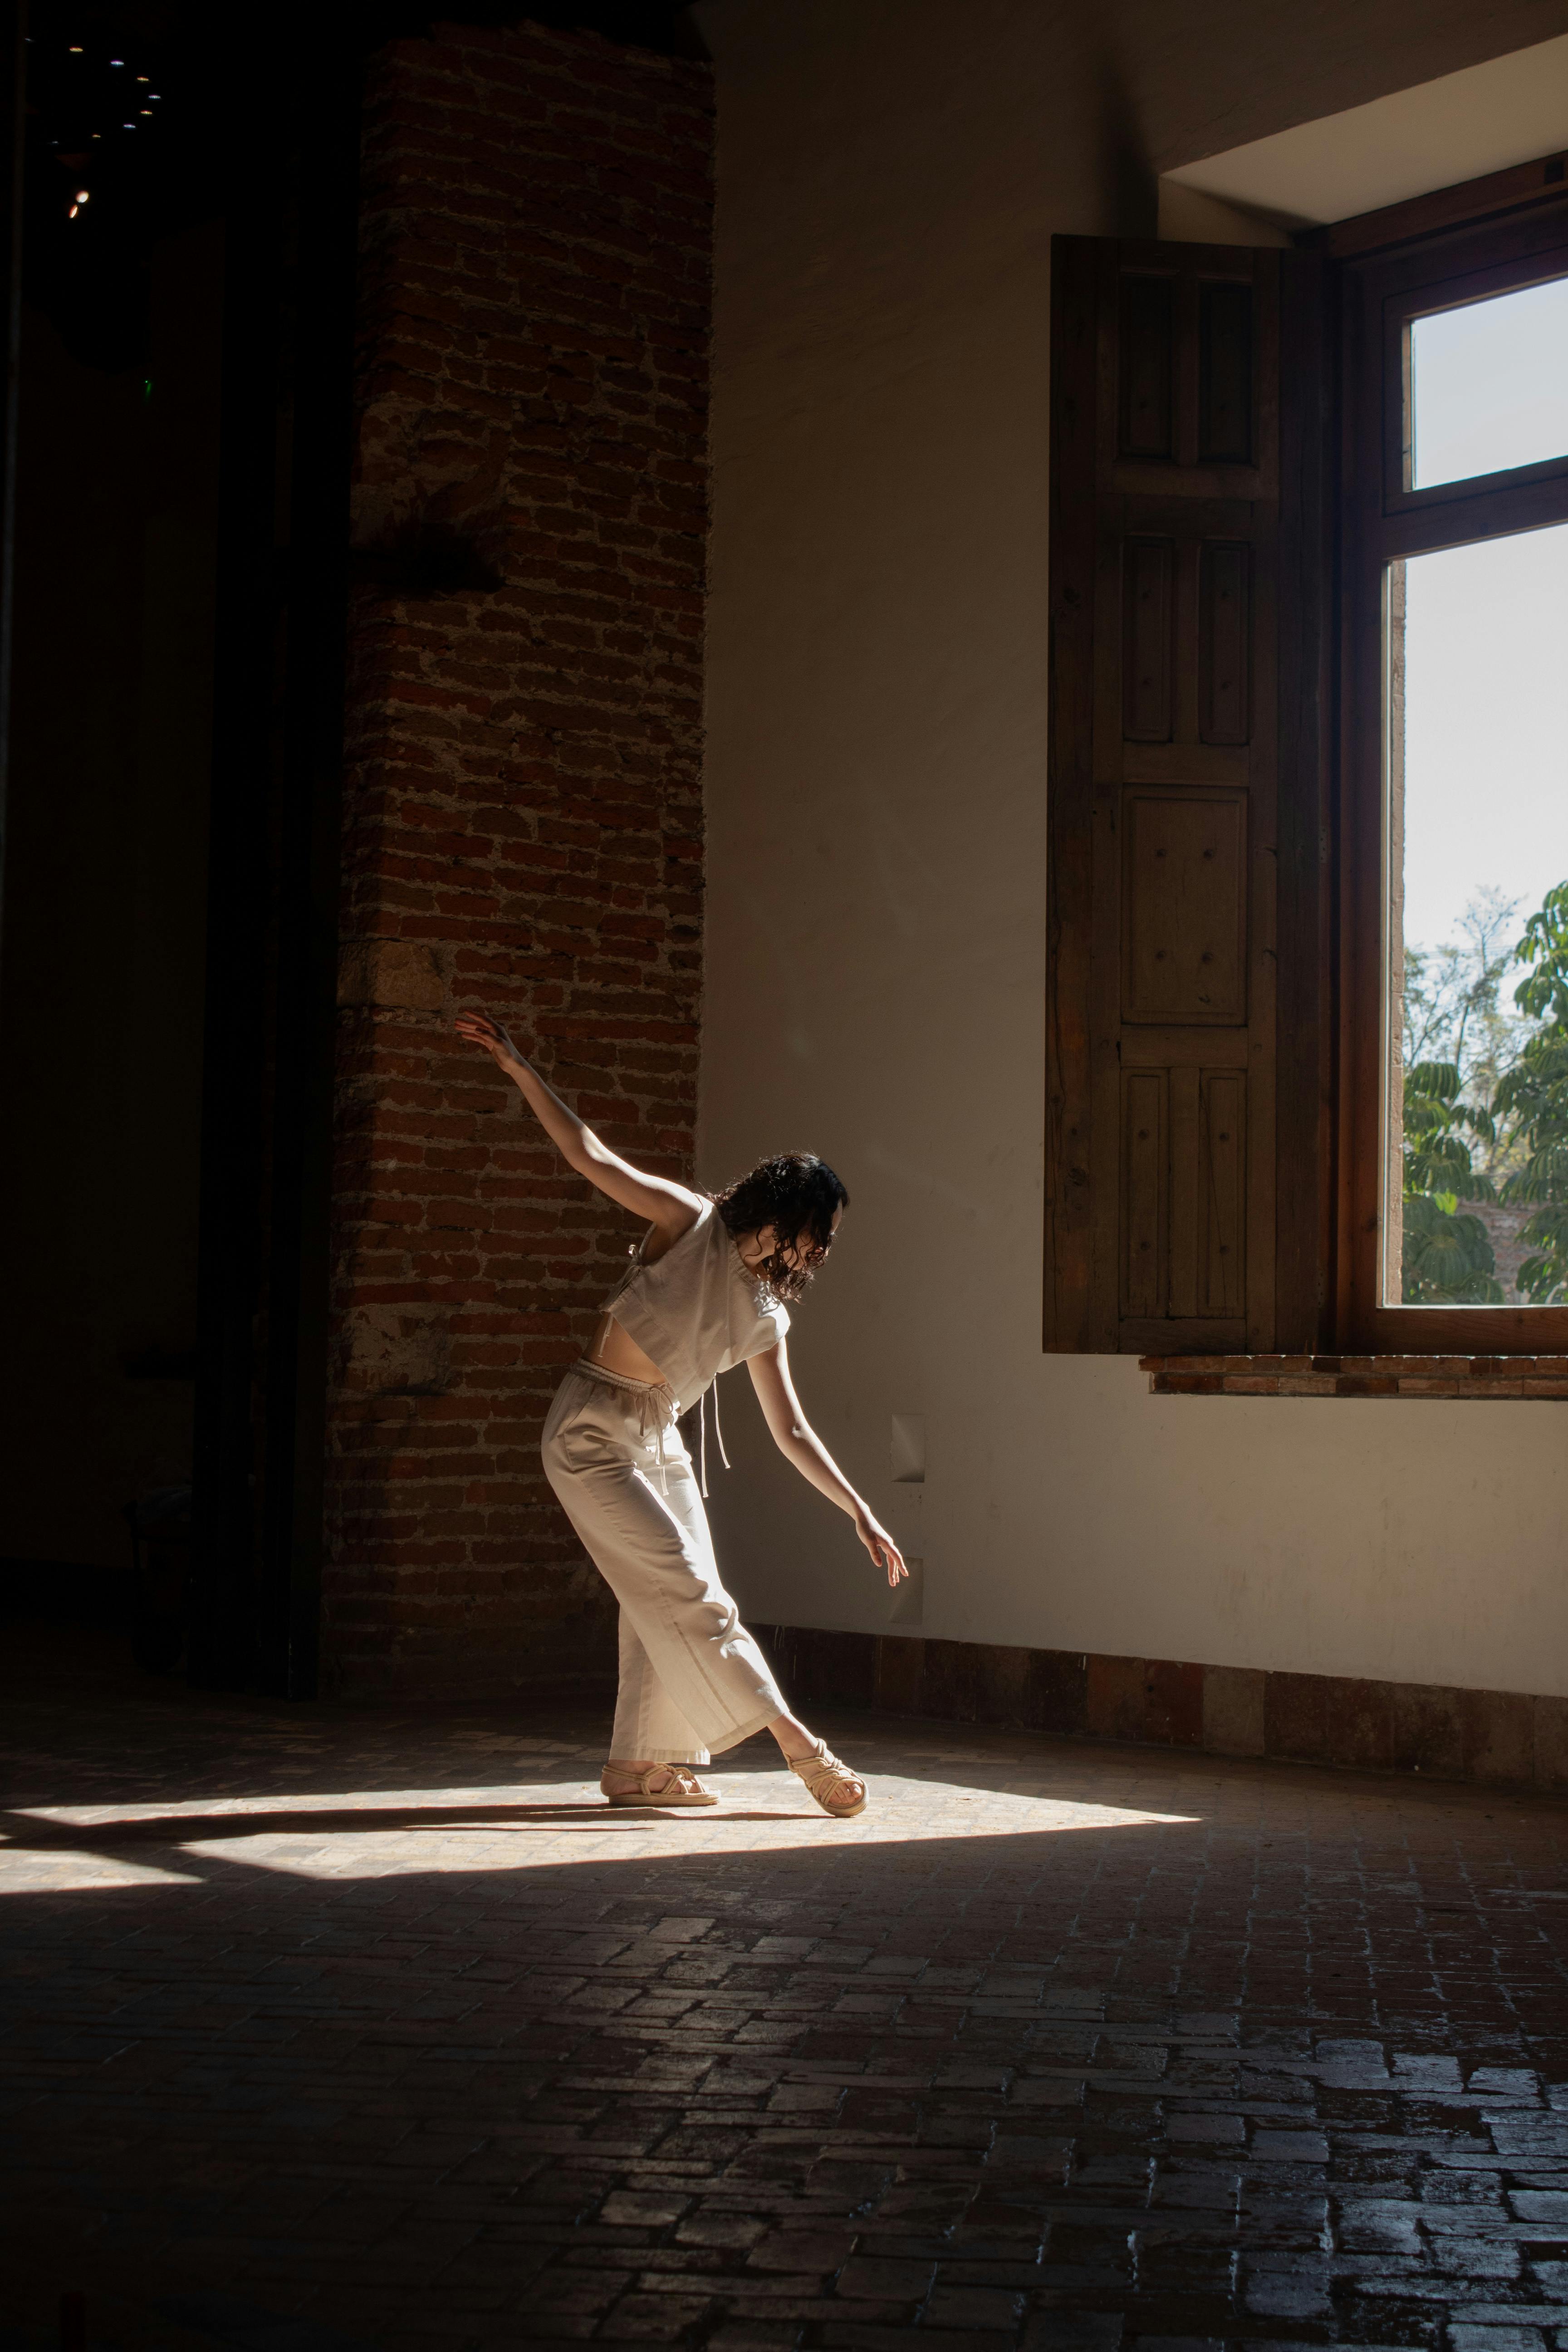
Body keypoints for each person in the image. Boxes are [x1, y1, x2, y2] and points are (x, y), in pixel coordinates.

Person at [454, 1010, 907, 1818]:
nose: (825, 1252)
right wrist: (520, 1068)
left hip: (658, 1435)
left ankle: (636, 1768)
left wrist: (860, 1510)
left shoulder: (768, 1315)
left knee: (662, 1593)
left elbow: (792, 1431)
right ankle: (801, 1746)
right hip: (591, 1427)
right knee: (693, 1592)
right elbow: (590, 1154)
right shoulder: (686, 1223)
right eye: (821, 1234)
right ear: (784, 1215)